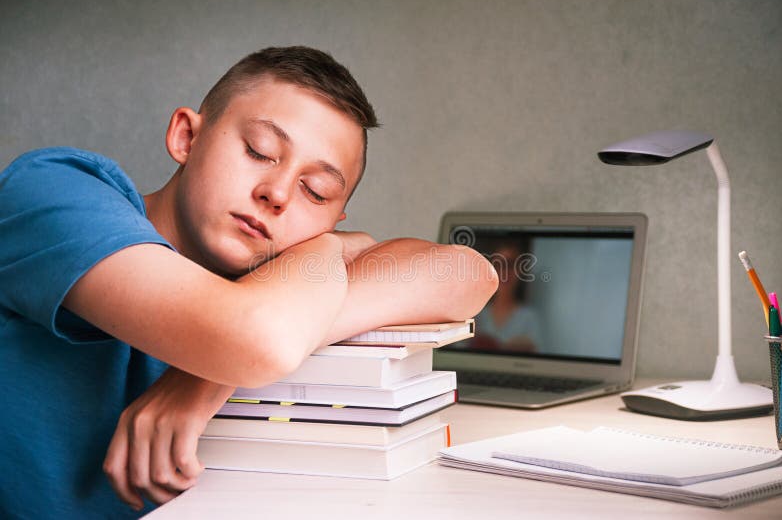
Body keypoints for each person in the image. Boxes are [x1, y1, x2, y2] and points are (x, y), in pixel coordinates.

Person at [0, 46, 498, 518]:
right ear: (186, 137)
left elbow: (471, 273)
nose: (278, 193)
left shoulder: (282, 285)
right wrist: (334, 249)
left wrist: (209, 374)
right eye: (259, 151)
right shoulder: (51, 190)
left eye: (315, 191)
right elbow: (257, 338)